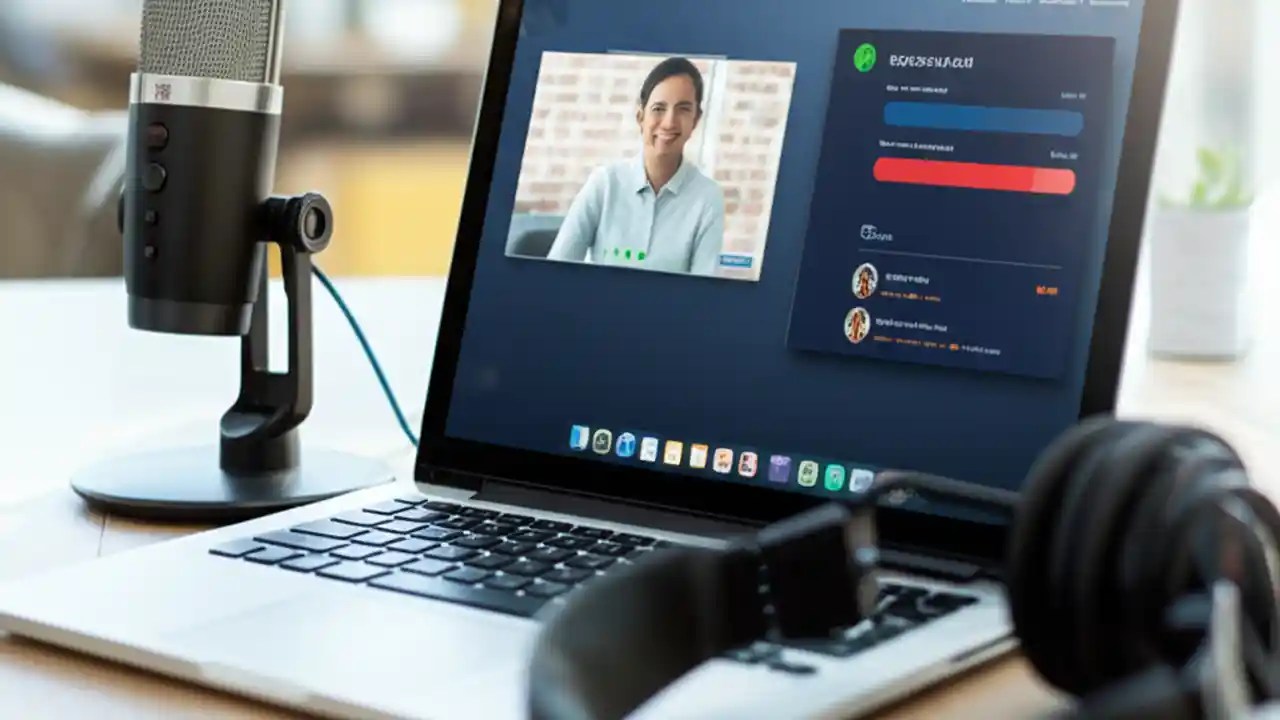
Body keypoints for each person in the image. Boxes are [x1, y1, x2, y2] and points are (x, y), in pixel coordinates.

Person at [547, 57, 725, 276]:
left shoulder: (707, 198)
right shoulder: (605, 183)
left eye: (683, 109)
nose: (669, 122)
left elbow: (703, 296)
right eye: (659, 108)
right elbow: (555, 271)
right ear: (641, 117)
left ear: (696, 120)